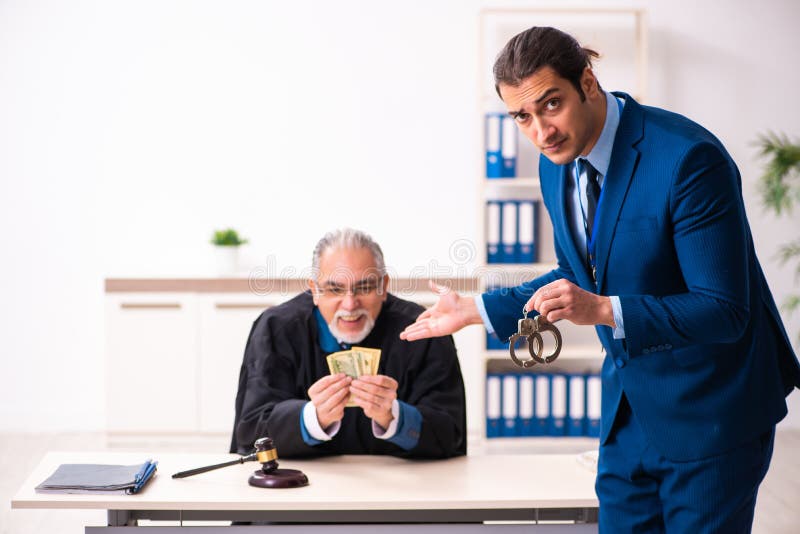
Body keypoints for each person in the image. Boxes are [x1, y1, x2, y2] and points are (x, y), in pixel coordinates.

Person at [400, 26, 800, 532]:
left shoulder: (689, 159)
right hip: (628, 414)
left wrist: (604, 310)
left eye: (551, 104)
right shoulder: (556, 164)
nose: (541, 131)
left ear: (588, 82)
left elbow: (724, 309)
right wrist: (478, 310)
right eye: (522, 116)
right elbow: (581, 271)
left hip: (711, 414)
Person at [230, 228, 467, 459]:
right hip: (302, 489)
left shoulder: (423, 331)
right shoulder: (276, 329)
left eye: (364, 287)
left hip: (402, 490)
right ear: (314, 290)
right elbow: (251, 434)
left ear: (384, 286)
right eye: (334, 289)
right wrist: (312, 417)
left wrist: (395, 417)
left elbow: (450, 434)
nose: (350, 304)